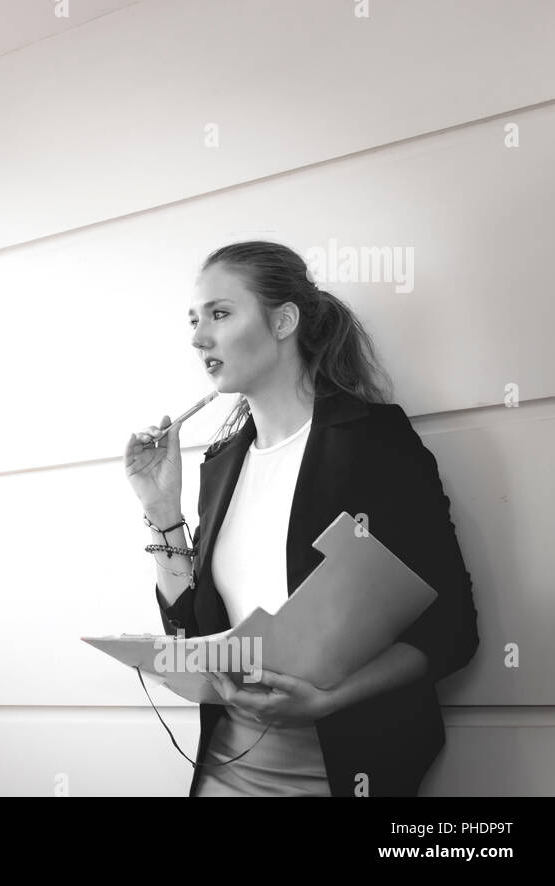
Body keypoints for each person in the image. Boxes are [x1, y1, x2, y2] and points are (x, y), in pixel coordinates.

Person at [123, 241, 479, 796]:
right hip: (224, 766)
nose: (198, 338)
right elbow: (192, 635)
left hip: (339, 770)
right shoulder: (220, 466)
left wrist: (329, 700)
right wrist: (160, 510)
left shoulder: (372, 442)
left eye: (220, 314)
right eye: (194, 321)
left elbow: (452, 628)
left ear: (284, 320)